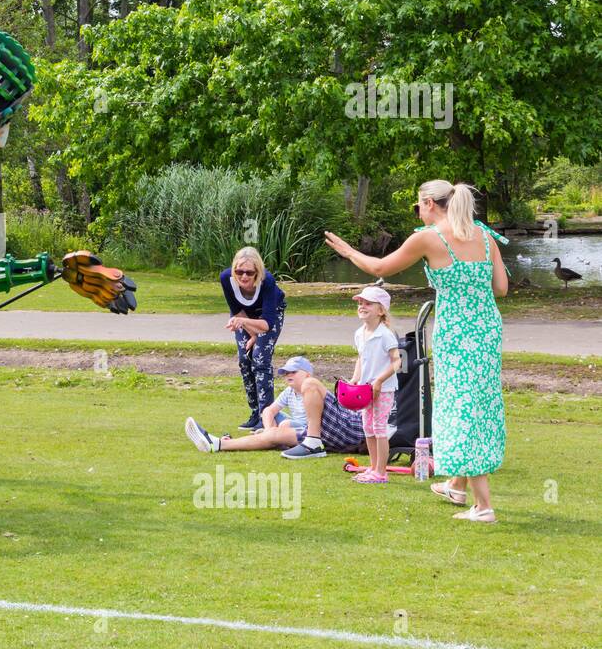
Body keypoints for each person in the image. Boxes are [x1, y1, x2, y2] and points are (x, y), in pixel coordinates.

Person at [325, 180, 508, 523]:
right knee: (479, 403)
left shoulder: (430, 237)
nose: (418, 213)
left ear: (428, 203)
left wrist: (349, 252)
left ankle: (483, 506)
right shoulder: (485, 236)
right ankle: (455, 486)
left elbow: (380, 269)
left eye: (417, 206)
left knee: (460, 408)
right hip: (487, 329)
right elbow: (501, 287)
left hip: (457, 331)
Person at [184, 356, 364, 454]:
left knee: (288, 419)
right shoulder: (289, 392)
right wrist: (270, 429)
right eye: (285, 373)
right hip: (326, 437)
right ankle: (217, 444)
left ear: (307, 373)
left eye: (293, 372)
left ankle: (313, 441)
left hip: (349, 427)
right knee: (276, 434)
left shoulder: (311, 384)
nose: (288, 376)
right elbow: (269, 411)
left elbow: (366, 357)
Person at [220, 246, 286, 431]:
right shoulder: (226, 278)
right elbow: (236, 308)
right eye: (239, 272)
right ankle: (255, 412)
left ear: (257, 271)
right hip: (243, 315)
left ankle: (266, 415)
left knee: (260, 360)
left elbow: (267, 324)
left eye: (249, 272)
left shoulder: (267, 281)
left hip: (269, 316)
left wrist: (253, 331)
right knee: (244, 359)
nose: (244, 277)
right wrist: (252, 334)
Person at [347, 286, 401, 485]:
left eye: (368, 303)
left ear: (381, 310)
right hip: (364, 390)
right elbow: (362, 358)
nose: (362, 306)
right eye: (360, 303)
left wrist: (379, 380)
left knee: (379, 428)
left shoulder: (385, 335)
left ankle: (381, 471)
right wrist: (355, 378)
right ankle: (372, 467)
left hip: (384, 390)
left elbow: (397, 361)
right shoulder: (359, 333)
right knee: (367, 427)